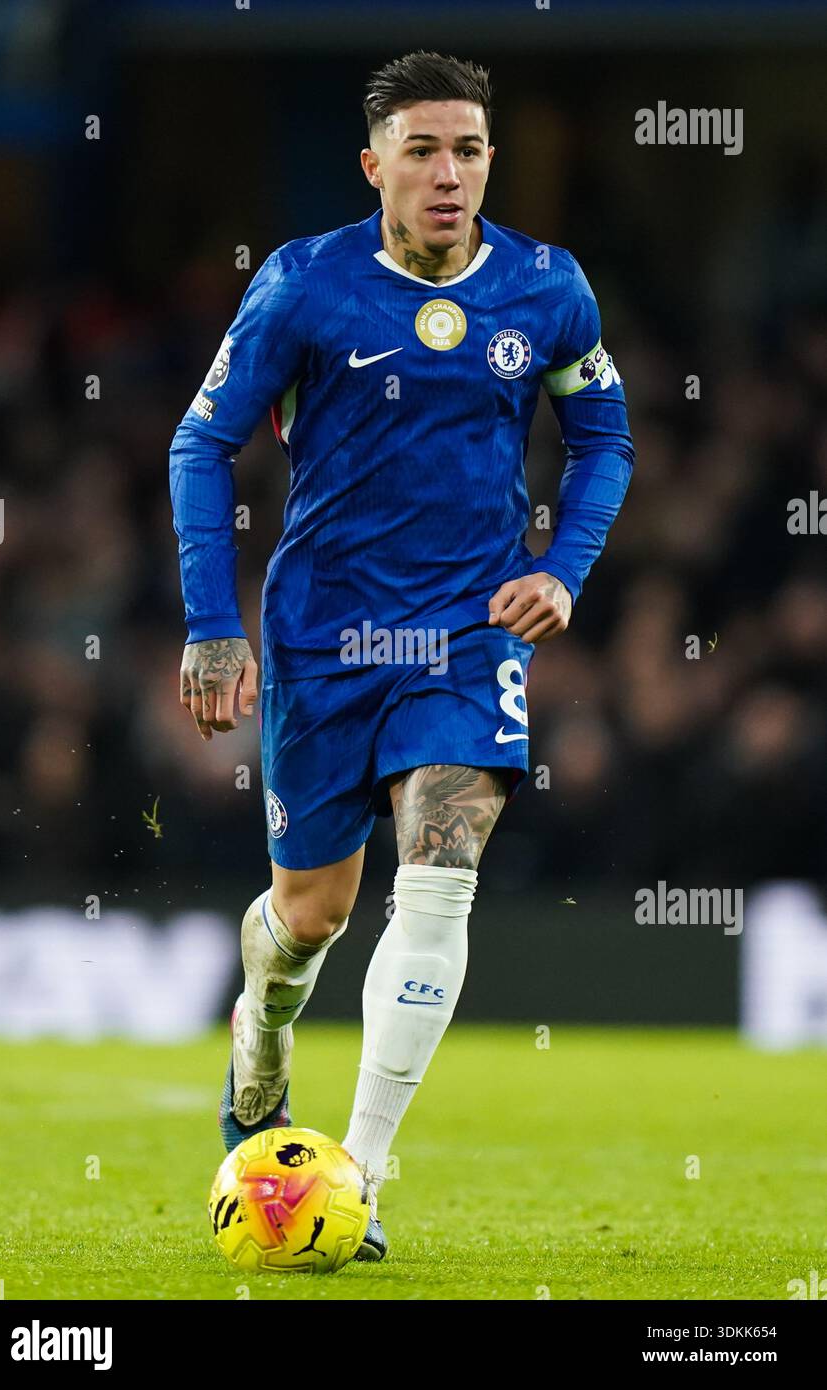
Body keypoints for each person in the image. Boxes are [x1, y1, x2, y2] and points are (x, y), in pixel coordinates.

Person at [168, 49, 634, 1262]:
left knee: (438, 870)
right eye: (421, 151)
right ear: (372, 164)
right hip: (322, 634)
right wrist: (214, 622)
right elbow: (198, 444)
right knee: (311, 918)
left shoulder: (545, 286)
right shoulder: (302, 287)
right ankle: (259, 1039)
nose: (446, 174)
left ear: (490, 161)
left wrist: (560, 568)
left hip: (465, 631)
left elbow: (603, 435)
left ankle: (358, 1176)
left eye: (467, 150)